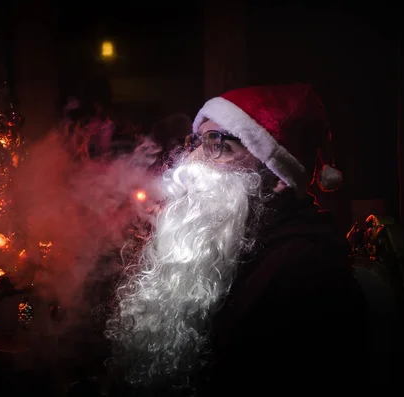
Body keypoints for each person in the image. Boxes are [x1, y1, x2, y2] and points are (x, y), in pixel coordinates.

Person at [104, 83, 370, 396]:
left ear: (277, 178)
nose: (193, 160)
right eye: (199, 142)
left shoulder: (305, 270)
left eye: (220, 145)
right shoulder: (230, 243)